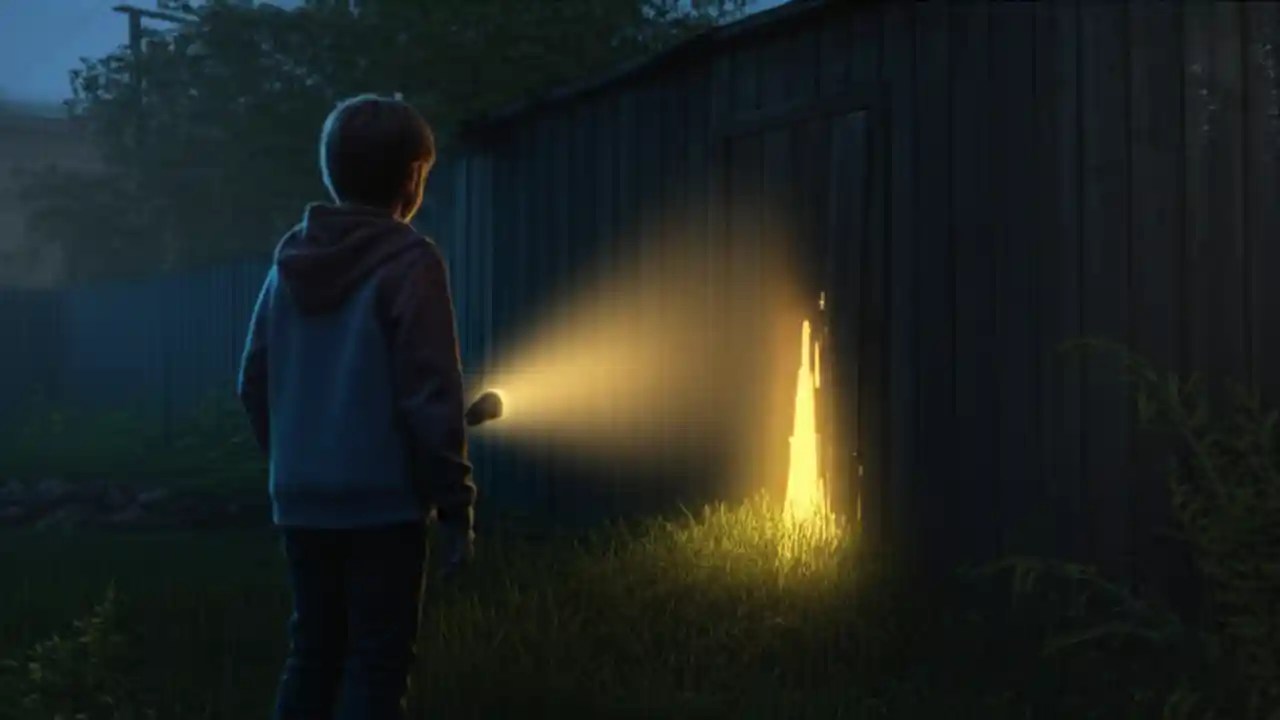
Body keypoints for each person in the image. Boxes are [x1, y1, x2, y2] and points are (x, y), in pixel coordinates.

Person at [236, 93, 476, 720]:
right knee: (375, 664)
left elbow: (252, 380)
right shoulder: (410, 261)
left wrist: (295, 456)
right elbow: (430, 393)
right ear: (412, 178)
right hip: (383, 509)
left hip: (302, 500)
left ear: (331, 170)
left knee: (312, 653)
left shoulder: (288, 263)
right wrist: (455, 503)